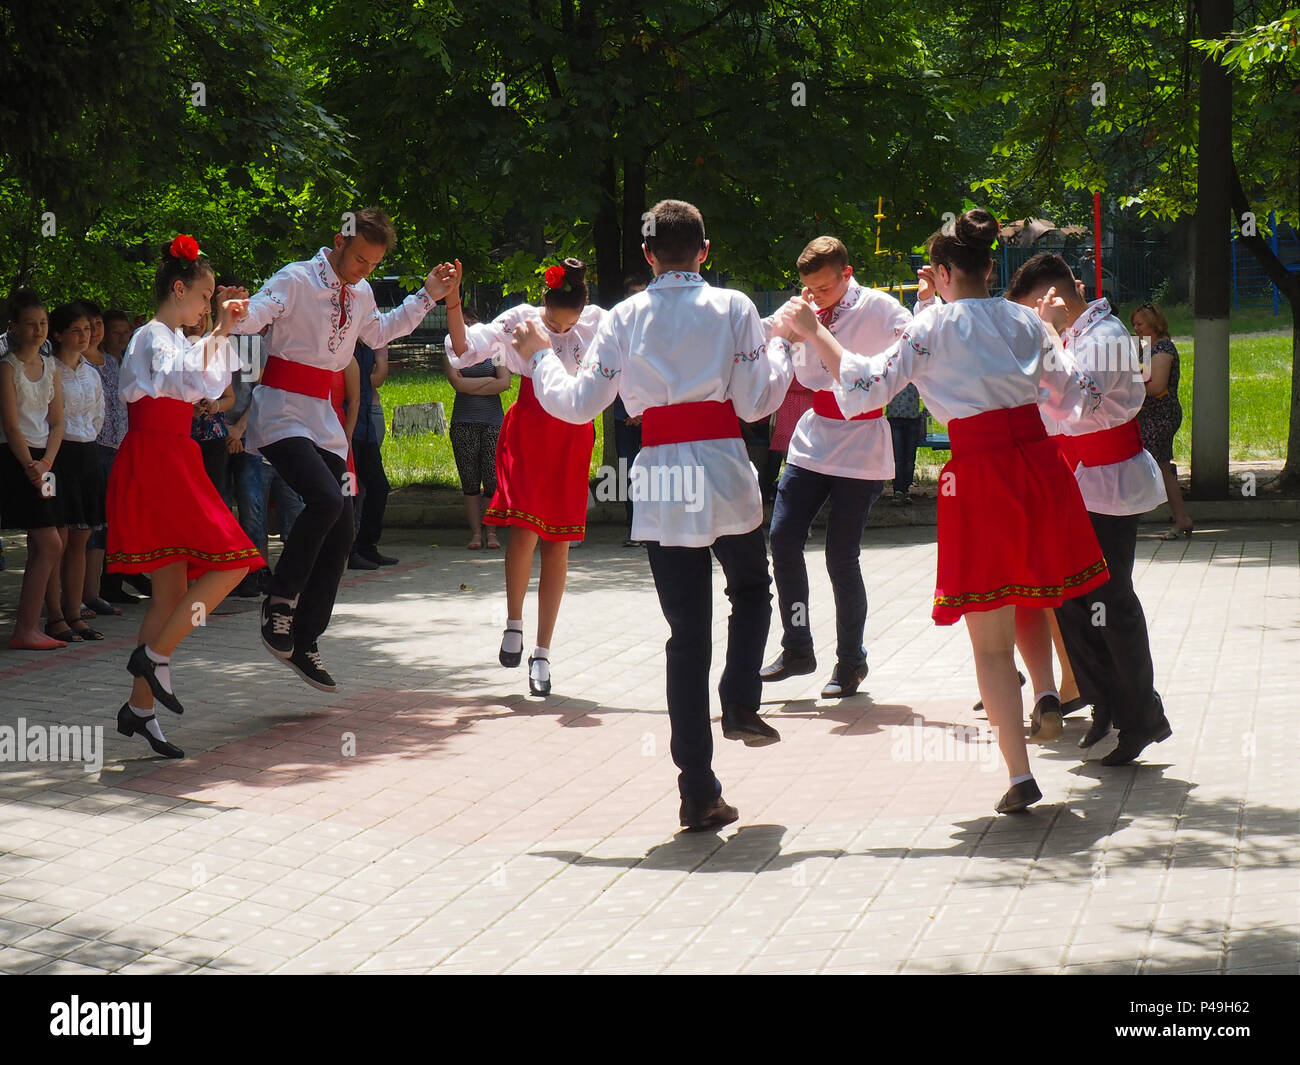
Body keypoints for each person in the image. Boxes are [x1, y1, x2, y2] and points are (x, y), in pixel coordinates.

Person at [778, 209, 1110, 814]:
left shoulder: (932, 326)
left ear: (942, 272)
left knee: (988, 637)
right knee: (1034, 594)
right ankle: (1046, 698)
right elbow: (1075, 400)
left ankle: (1019, 773)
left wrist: (814, 331)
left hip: (981, 473)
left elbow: (866, 388)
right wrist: (1055, 332)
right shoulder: (1025, 321)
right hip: (1038, 466)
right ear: (990, 266)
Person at [516, 199, 793, 831]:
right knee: (752, 588)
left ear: (646, 255)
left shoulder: (624, 317)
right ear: (705, 249)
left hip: (665, 476)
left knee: (686, 634)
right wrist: (781, 346)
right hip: (722, 466)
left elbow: (577, 403)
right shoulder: (735, 307)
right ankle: (741, 698)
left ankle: (697, 786)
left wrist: (537, 353)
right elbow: (756, 403)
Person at [228, 209, 455, 691]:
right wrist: (235, 312)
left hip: (323, 416)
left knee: (343, 523)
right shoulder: (295, 279)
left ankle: (305, 637)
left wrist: (426, 296)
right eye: (358, 259)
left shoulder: (363, 291)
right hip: (283, 409)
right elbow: (257, 315)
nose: (363, 270)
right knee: (327, 500)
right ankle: (280, 600)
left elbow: (377, 333)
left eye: (372, 264)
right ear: (339, 241)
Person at [1006, 253, 1172, 764]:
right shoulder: (1079, 333)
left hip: (1108, 481)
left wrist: (1047, 338)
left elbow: (1079, 400)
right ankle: (1108, 702)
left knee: (1110, 601)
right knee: (1072, 601)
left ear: (1048, 299)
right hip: (1074, 479)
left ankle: (1140, 716)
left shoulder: (1105, 336)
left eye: (1033, 310)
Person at [106, 235, 262, 758]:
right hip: (159, 457)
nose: (206, 304)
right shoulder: (153, 336)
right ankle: (156, 655)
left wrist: (226, 327)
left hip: (172, 454)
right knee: (235, 561)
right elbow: (185, 378)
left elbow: (208, 381)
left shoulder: (170, 337)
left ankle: (141, 706)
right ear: (179, 288)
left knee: (170, 593)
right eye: (204, 295)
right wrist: (220, 328)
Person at [443, 257, 605, 697]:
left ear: (583, 309)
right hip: (531, 430)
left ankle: (542, 652)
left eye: (567, 324)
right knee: (524, 533)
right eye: (553, 320)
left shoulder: (598, 325)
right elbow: (463, 346)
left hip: (572, 435)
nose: (559, 329)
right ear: (544, 303)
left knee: (559, 544)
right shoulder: (522, 320)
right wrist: (454, 300)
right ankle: (513, 623)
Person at [759, 236, 908, 699]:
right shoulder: (803, 306)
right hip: (815, 434)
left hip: (862, 442)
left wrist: (928, 301)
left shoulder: (880, 308)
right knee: (782, 538)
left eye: (824, 287)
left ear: (847, 274)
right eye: (808, 287)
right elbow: (759, 335)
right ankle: (798, 645)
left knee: (841, 557)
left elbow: (920, 338)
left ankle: (851, 662)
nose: (815, 296)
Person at [0, 290, 67, 650]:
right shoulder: (6, 367)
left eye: (43, 323)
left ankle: (29, 625)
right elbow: (11, 425)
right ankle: (26, 627)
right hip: (17, 458)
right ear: (14, 327)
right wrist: (29, 465)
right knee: (49, 541)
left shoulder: (51, 367)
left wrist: (46, 463)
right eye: (31, 324)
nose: (39, 330)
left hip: (45, 460)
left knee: (48, 541)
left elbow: (57, 422)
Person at [44, 303, 106, 642]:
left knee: (81, 539)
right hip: (58, 456)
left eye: (88, 329)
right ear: (58, 334)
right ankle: (54, 615)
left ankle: (74, 611)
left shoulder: (91, 373)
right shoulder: (49, 369)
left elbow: (97, 416)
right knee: (57, 539)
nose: (85, 336)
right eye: (77, 330)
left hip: (86, 453)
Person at [445, 314, 508, 551]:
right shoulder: (451, 348)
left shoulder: (497, 347)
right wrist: (488, 382)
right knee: (470, 481)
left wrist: (470, 386)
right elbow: (456, 383)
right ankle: (476, 534)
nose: (469, 328)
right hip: (463, 422)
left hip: (493, 422)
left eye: (472, 323)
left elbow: (505, 383)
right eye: (464, 324)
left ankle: (492, 532)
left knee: (492, 479)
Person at [84, 307, 132, 613]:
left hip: (118, 449)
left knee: (107, 523)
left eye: (100, 324)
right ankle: (80, 592)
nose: (98, 331)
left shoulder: (115, 363)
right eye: (93, 325)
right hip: (91, 447)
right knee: (85, 526)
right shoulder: (78, 363)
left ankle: (98, 589)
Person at [1132, 302, 1192, 539]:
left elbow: (1156, 386)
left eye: (1140, 323)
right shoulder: (1148, 348)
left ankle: (1125, 519)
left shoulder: (1163, 348)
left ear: (1154, 324)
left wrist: (1127, 386)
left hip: (1161, 415)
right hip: (1151, 415)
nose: (1136, 328)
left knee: (1141, 465)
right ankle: (1181, 519)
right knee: (1163, 468)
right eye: (1134, 324)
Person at [350, 342, 399, 566]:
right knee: (347, 491)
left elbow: (377, 378)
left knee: (378, 486)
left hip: (366, 427)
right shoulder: (343, 342)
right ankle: (347, 551)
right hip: (345, 430)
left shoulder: (368, 345)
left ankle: (366, 545)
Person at [611, 273, 650, 546]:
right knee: (627, 471)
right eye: (631, 294)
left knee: (655, 471)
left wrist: (645, 412)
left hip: (654, 416)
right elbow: (612, 373)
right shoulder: (616, 328)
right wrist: (629, 412)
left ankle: (653, 528)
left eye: (641, 293)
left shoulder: (657, 328)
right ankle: (633, 528)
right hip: (623, 415)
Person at [886, 383, 925, 504]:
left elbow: (927, 390)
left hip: (912, 419)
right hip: (895, 418)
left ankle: (906, 489)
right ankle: (898, 490)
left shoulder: (916, 373)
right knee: (898, 459)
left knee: (909, 459)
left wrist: (925, 412)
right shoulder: (892, 373)